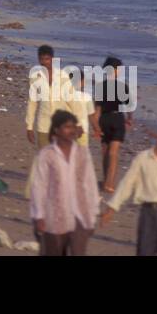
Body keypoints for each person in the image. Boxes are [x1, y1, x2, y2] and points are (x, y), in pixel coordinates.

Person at [100, 121, 157, 255]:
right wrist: (112, 208)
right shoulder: (143, 159)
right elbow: (127, 183)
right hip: (148, 213)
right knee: (145, 251)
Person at [28, 109, 100, 256]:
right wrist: (39, 215)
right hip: (53, 217)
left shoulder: (82, 153)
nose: (72, 130)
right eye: (67, 127)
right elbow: (39, 187)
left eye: (73, 127)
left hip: (80, 216)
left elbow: (90, 185)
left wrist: (92, 217)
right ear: (57, 130)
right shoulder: (47, 155)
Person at [97, 56, 134, 193]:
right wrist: (130, 118)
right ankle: (110, 183)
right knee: (114, 152)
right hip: (117, 119)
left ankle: (105, 179)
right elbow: (129, 106)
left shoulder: (100, 86)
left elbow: (97, 109)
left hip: (104, 120)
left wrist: (95, 125)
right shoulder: (122, 86)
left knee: (105, 151)